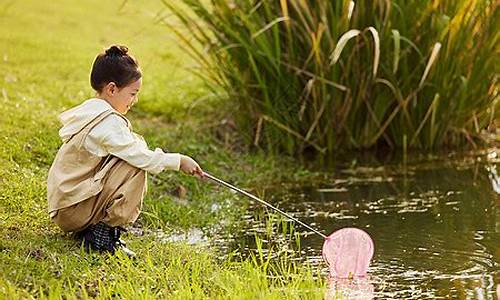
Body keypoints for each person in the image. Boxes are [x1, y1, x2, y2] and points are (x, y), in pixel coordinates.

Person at [47, 45, 203, 257]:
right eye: (132, 93)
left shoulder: (91, 110)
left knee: (131, 152)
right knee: (135, 166)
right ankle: (102, 236)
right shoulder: (108, 123)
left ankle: (92, 229)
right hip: (73, 210)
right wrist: (179, 160)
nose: (134, 100)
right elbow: (141, 158)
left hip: (66, 205)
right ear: (112, 89)